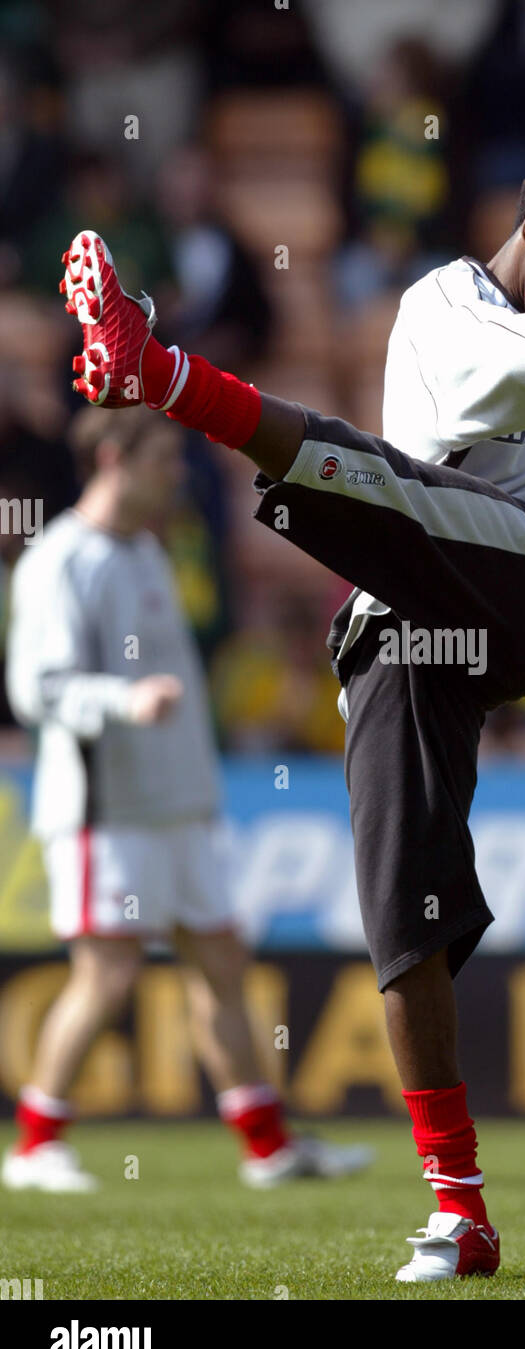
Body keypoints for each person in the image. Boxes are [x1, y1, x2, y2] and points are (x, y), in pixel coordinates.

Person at [56, 147, 525, 1276]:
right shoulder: (443, 304)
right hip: (406, 622)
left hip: (524, 592)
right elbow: (510, 371)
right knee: (402, 921)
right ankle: (460, 1210)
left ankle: (158, 371)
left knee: (382, 479)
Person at [3, 406, 371, 1193]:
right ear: (112, 459)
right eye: (164, 461)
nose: (178, 477)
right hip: (109, 806)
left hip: (179, 800)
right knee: (106, 971)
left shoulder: (148, 550)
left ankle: (265, 1145)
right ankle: (35, 1145)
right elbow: (36, 688)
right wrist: (122, 701)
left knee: (222, 965)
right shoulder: (62, 559)